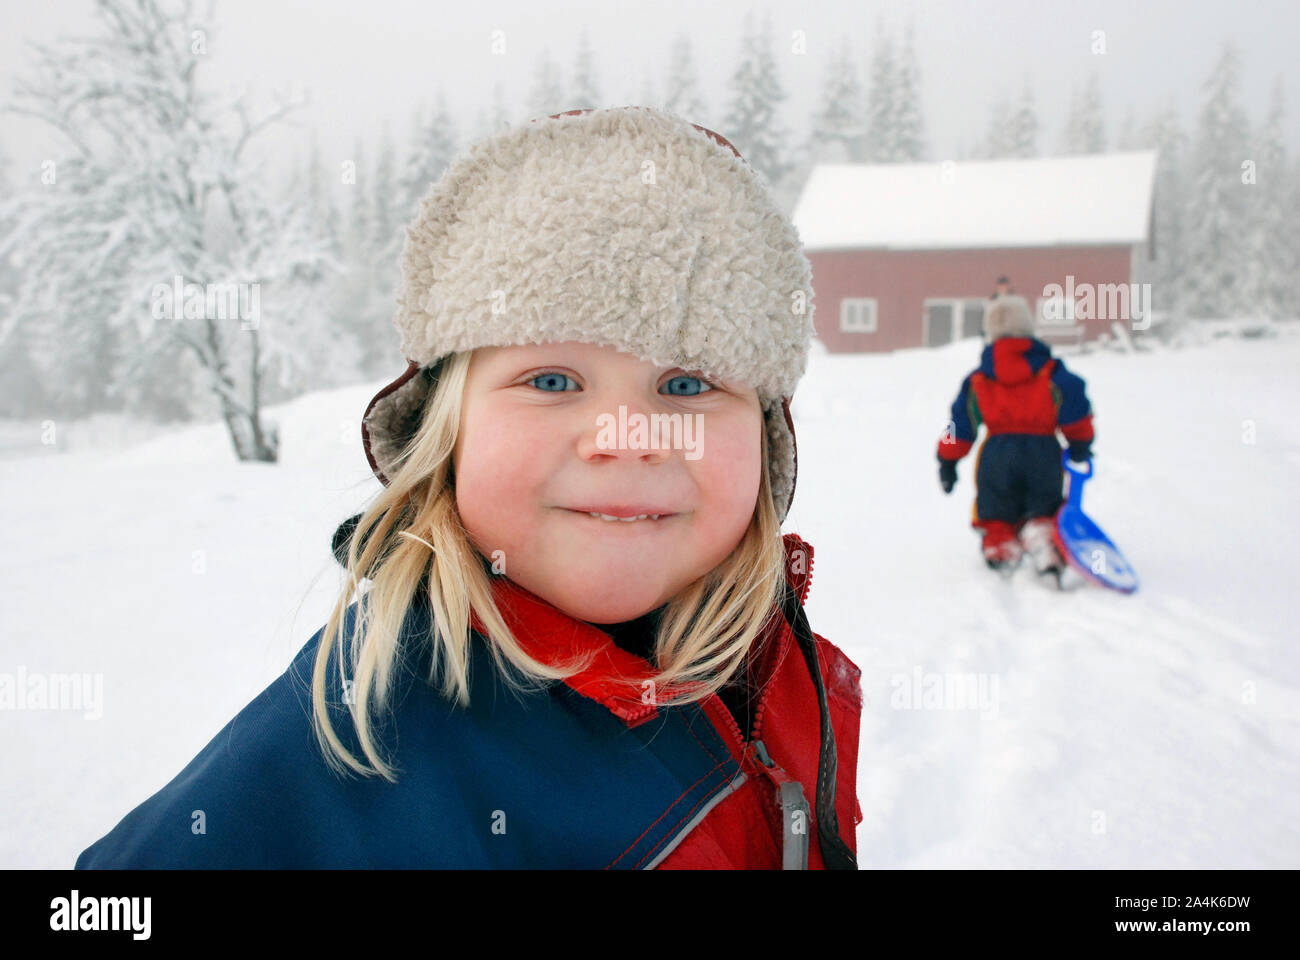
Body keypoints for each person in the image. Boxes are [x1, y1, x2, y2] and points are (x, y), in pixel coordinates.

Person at [74, 106, 862, 870]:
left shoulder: (765, 677)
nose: (626, 439)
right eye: (553, 380)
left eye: (688, 384)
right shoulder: (353, 752)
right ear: (445, 435)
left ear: (767, 442)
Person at [935, 295, 1095, 574]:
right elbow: (1076, 406)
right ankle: (1043, 541)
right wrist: (1080, 442)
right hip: (1043, 453)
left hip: (997, 455)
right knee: (1043, 504)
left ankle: (1000, 545)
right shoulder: (1052, 372)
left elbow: (957, 424)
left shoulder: (977, 379)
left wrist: (946, 458)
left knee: (995, 509)